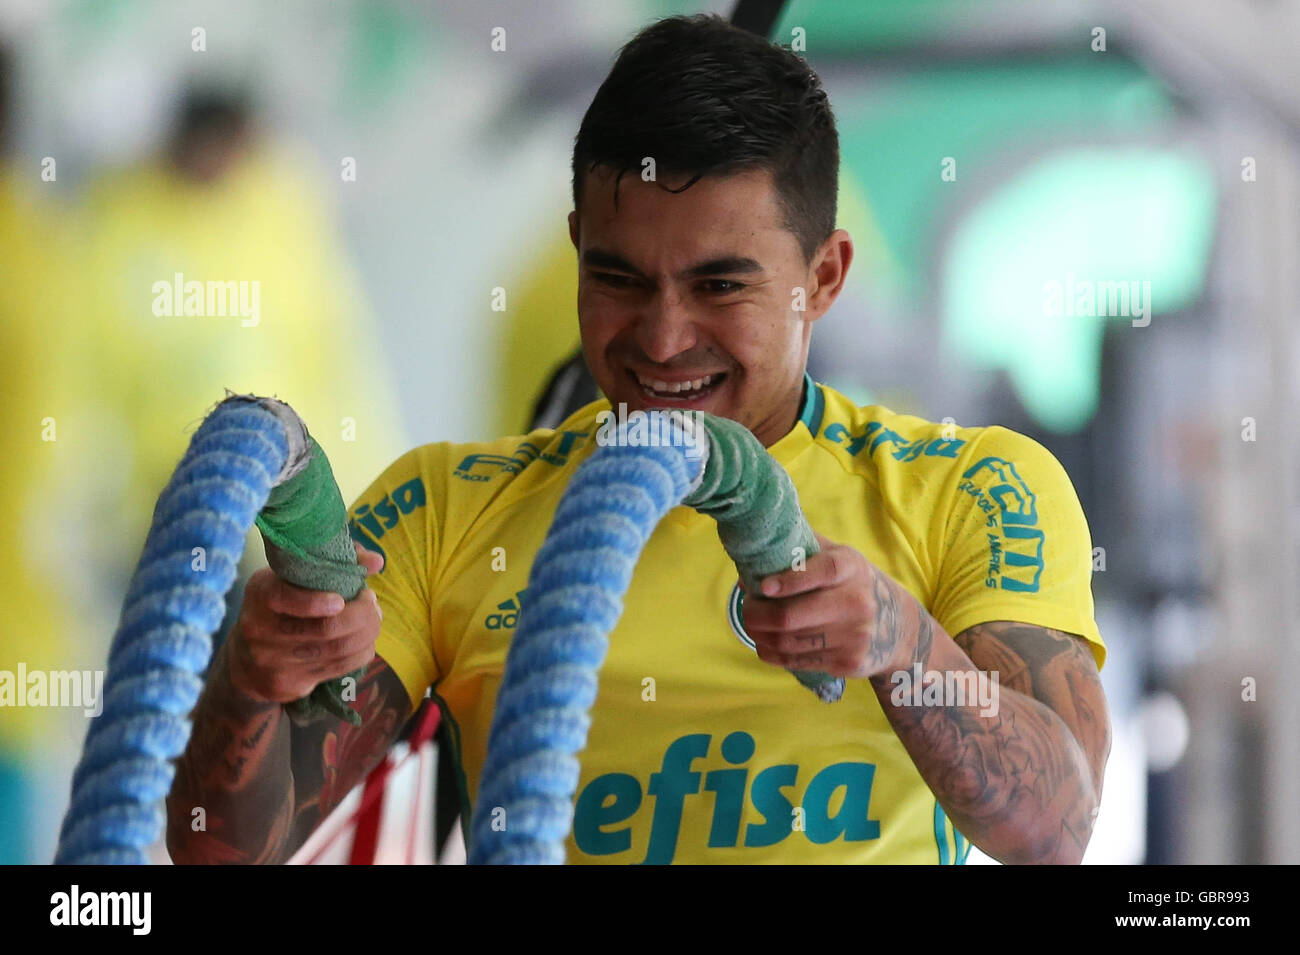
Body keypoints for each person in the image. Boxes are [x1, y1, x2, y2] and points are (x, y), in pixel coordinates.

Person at [167, 14, 1110, 865]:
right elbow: (222, 852)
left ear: (822, 278)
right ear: (577, 251)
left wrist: (906, 647)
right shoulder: (450, 509)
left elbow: (1056, 828)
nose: (662, 340)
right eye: (618, 278)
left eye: (719, 286)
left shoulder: (973, 486)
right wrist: (252, 682)